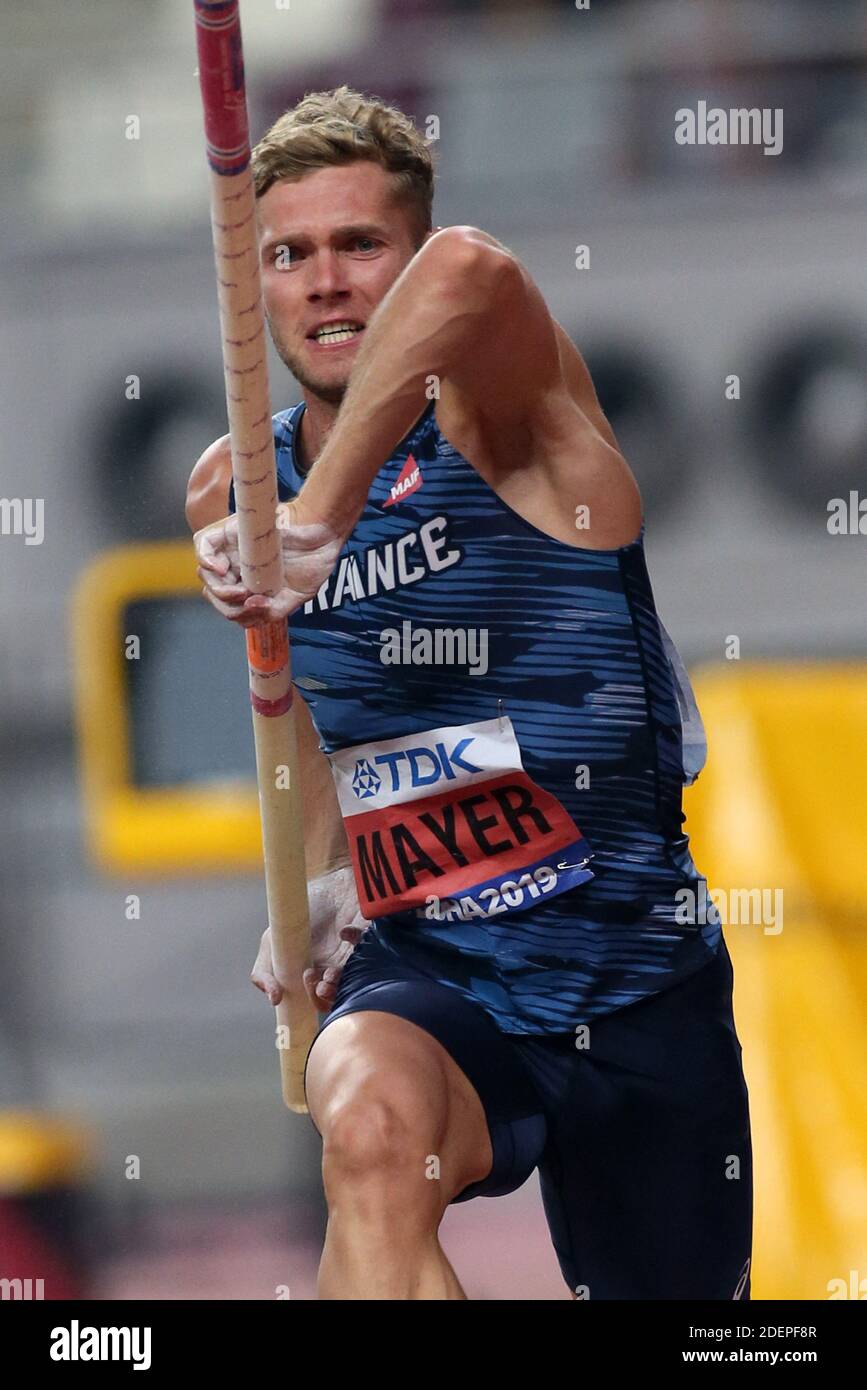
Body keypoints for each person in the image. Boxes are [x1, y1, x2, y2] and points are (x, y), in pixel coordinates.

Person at [187, 85, 752, 1301]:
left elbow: (473, 276)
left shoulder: (510, 419)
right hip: (439, 978)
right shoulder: (233, 486)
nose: (325, 280)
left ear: (406, 251)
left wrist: (320, 522)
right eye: (289, 254)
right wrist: (324, 872)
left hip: (638, 984)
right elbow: (304, 711)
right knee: (372, 1142)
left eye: (359, 244)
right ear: (256, 283)